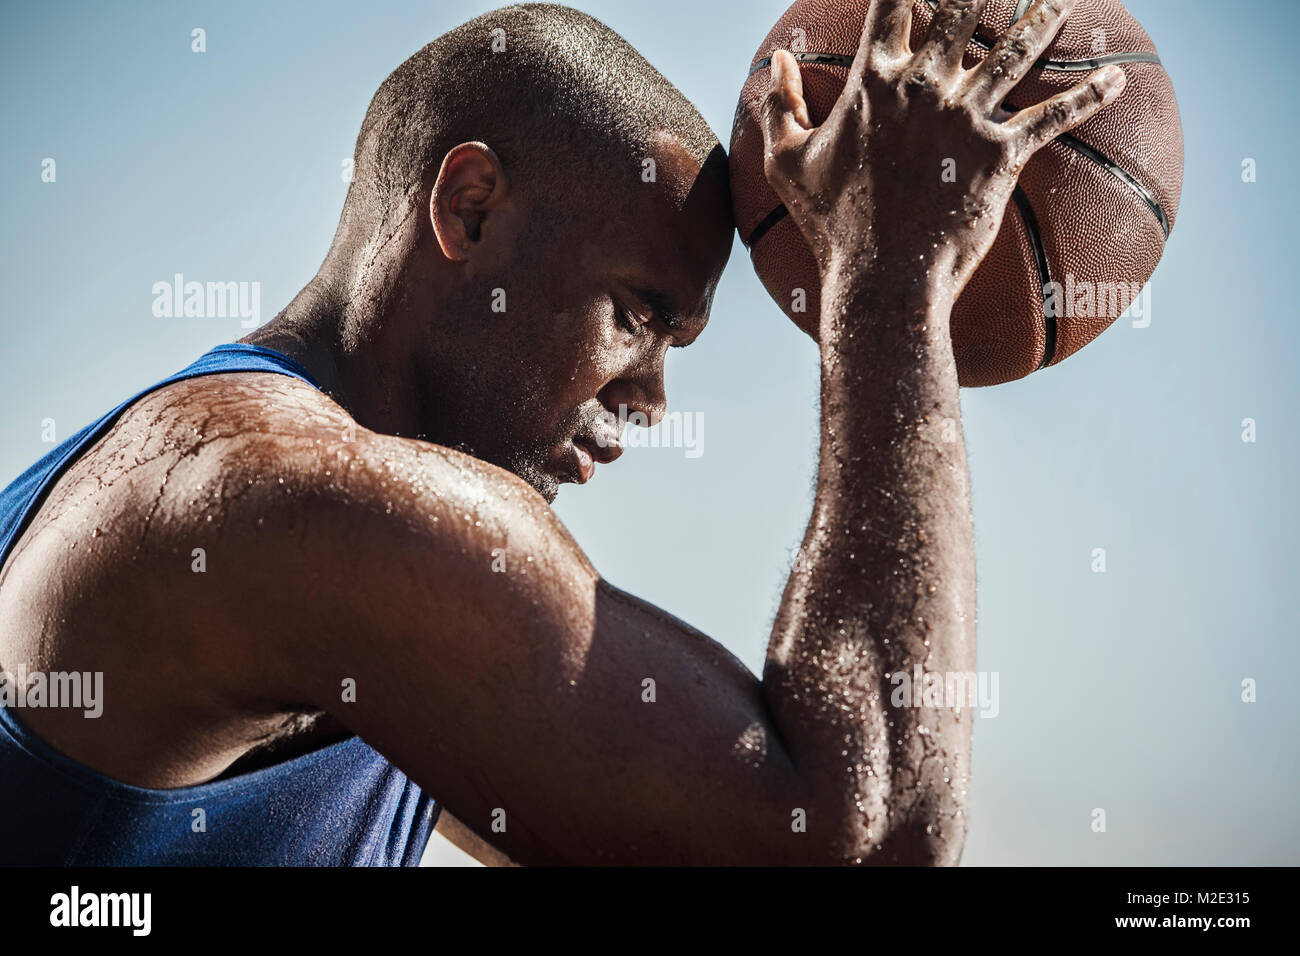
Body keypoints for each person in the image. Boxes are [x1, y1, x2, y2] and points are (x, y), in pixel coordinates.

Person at [0, 0, 1123, 865]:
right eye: (636, 316)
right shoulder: (288, 501)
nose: (650, 403)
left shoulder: (283, 521)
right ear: (470, 207)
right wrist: (887, 279)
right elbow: (863, 839)